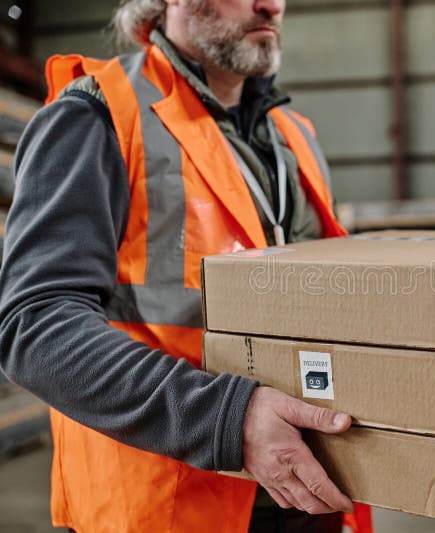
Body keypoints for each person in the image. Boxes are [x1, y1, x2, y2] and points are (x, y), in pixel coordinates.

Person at [0, 0, 373, 532]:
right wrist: (226, 419)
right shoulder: (96, 114)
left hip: (307, 490)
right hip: (167, 505)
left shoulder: (294, 136)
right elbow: (33, 328)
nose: (271, 4)